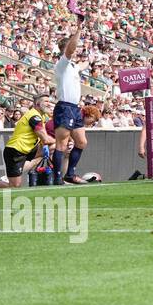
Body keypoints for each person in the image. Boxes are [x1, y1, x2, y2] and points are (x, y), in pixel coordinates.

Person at [51, 16, 89, 184]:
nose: (75, 50)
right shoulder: (62, 63)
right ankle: (58, 177)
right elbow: (70, 49)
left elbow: (84, 64)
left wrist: (88, 50)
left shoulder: (72, 66)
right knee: (62, 143)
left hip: (74, 107)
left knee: (81, 141)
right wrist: (79, 30)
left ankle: (70, 174)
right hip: (65, 107)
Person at [0, 95, 55, 189]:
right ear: (37, 104)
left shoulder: (42, 115)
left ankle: (59, 176)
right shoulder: (34, 116)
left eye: (49, 101)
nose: (49, 104)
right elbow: (45, 139)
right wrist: (59, 140)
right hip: (16, 150)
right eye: (46, 101)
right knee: (14, 186)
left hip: (28, 149)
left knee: (53, 146)